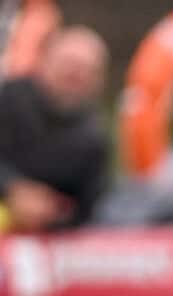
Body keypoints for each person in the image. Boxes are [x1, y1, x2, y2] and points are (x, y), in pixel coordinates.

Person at [0, 25, 108, 232]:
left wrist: (51, 213)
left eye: (86, 69)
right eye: (68, 65)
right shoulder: (8, 100)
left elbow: (88, 209)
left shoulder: (93, 140)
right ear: (43, 62)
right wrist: (13, 188)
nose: (75, 75)